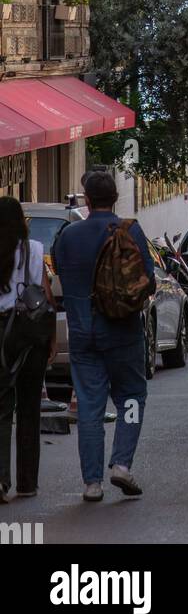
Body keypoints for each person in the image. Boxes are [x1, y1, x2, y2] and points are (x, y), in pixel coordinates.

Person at [53, 169, 154, 502]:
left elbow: (63, 276)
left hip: (82, 333)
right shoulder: (130, 231)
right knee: (131, 397)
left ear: (87, 200)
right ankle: (122, 464)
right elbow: (148, 282)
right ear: (115, 199)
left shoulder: (68, 236)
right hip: (123, 332)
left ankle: (91, 483)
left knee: (90, 408)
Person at [0, 198, 56, 502]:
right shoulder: (34, 249)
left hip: (1, 335)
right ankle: (26, 482)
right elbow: (46, 296)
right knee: (29, 409)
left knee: (1, 409)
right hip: (29, 334)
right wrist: (50, 340)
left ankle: (0, 479)